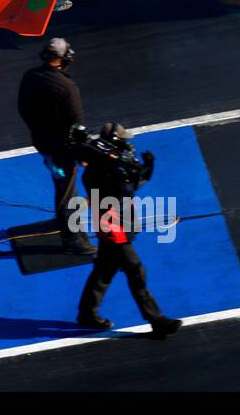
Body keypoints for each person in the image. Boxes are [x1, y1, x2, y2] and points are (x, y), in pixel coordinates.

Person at [75, 123, 182, 337]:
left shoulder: (107, 169)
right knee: (135, 270)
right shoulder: (97, 174)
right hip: (114, 229)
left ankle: (87, 313)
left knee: (104, 271)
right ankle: (156, 319)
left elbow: (129, 186)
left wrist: (146, 169)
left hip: (118, 224)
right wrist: (128, 169)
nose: (127, 144)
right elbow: (121, 188)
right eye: (123, 140)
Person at [18, 38, 95, 256]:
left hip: (43, 143)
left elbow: (23, 109)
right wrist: (82, 153)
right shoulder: (66, 87)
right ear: (65, 59)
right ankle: (72, 240)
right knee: (67, 192)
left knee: (62, 186)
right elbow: (76, 126)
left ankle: (66, 223)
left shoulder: (30, 76)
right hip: (62, 149)